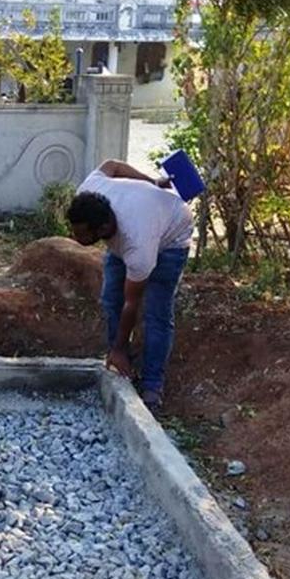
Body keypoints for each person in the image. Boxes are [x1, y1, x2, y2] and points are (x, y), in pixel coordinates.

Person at [67, 159, 193, 410]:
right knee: (110, 298)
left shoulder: (138, 245)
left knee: (157, 313)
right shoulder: (89, 192)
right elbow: (112, 165)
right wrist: (153, 182)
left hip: (172, 236)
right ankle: (121, 365)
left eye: (82, 234)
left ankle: (152, 385)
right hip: (139, 223)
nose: (75, 238)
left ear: (103, 227)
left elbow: (131, 303)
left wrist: (120, 347)